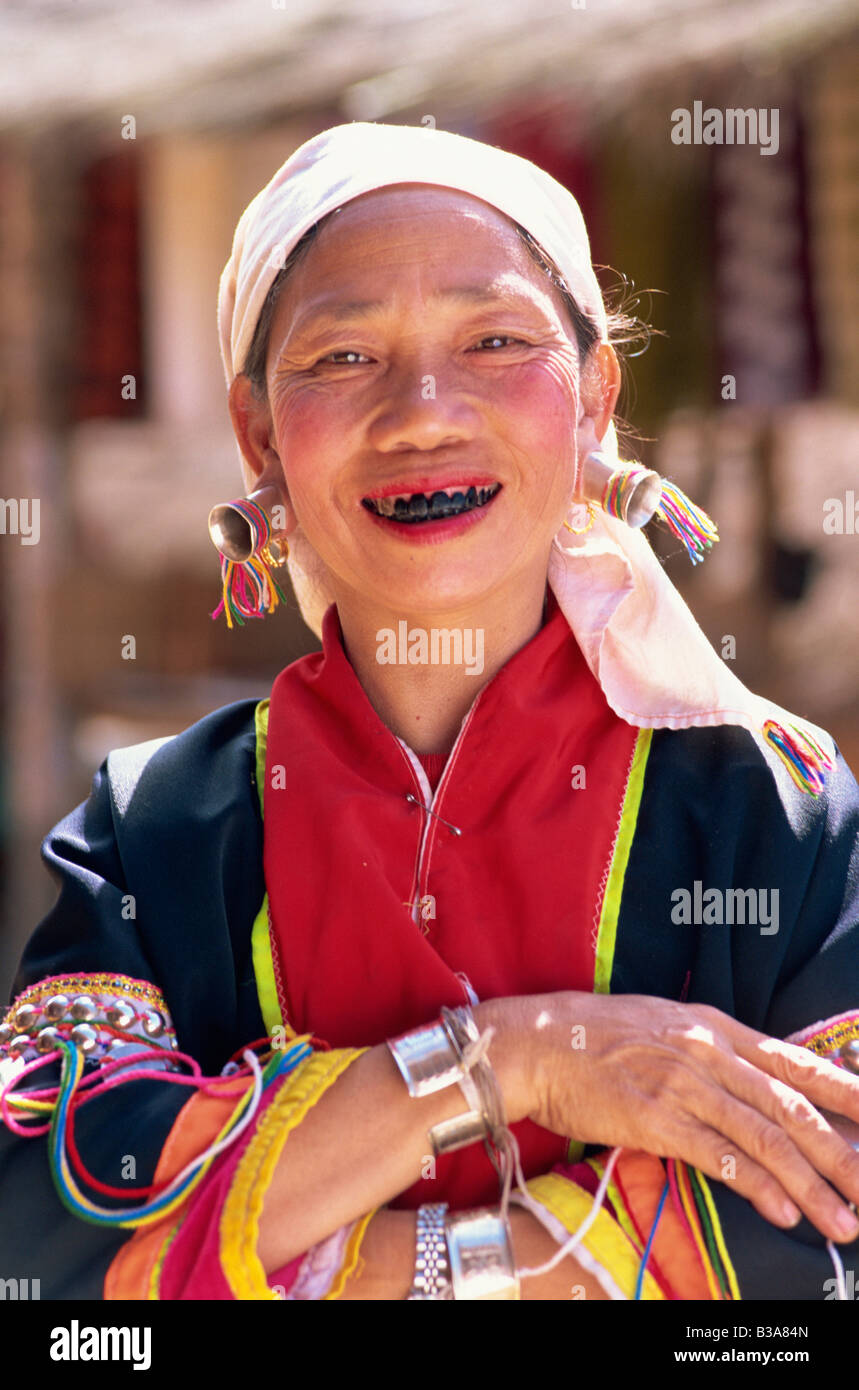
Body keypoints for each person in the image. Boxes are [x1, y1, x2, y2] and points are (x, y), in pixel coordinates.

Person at [2, 122, 859, 1302]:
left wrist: (306, 1243)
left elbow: (820, 1234)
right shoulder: (154, 831)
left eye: (496, 340)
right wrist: (521, 1058)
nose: (421, 411)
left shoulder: (772, 811)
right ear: (259, 435)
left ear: (594, 399)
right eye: (344, 357)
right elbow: (48, 1243)